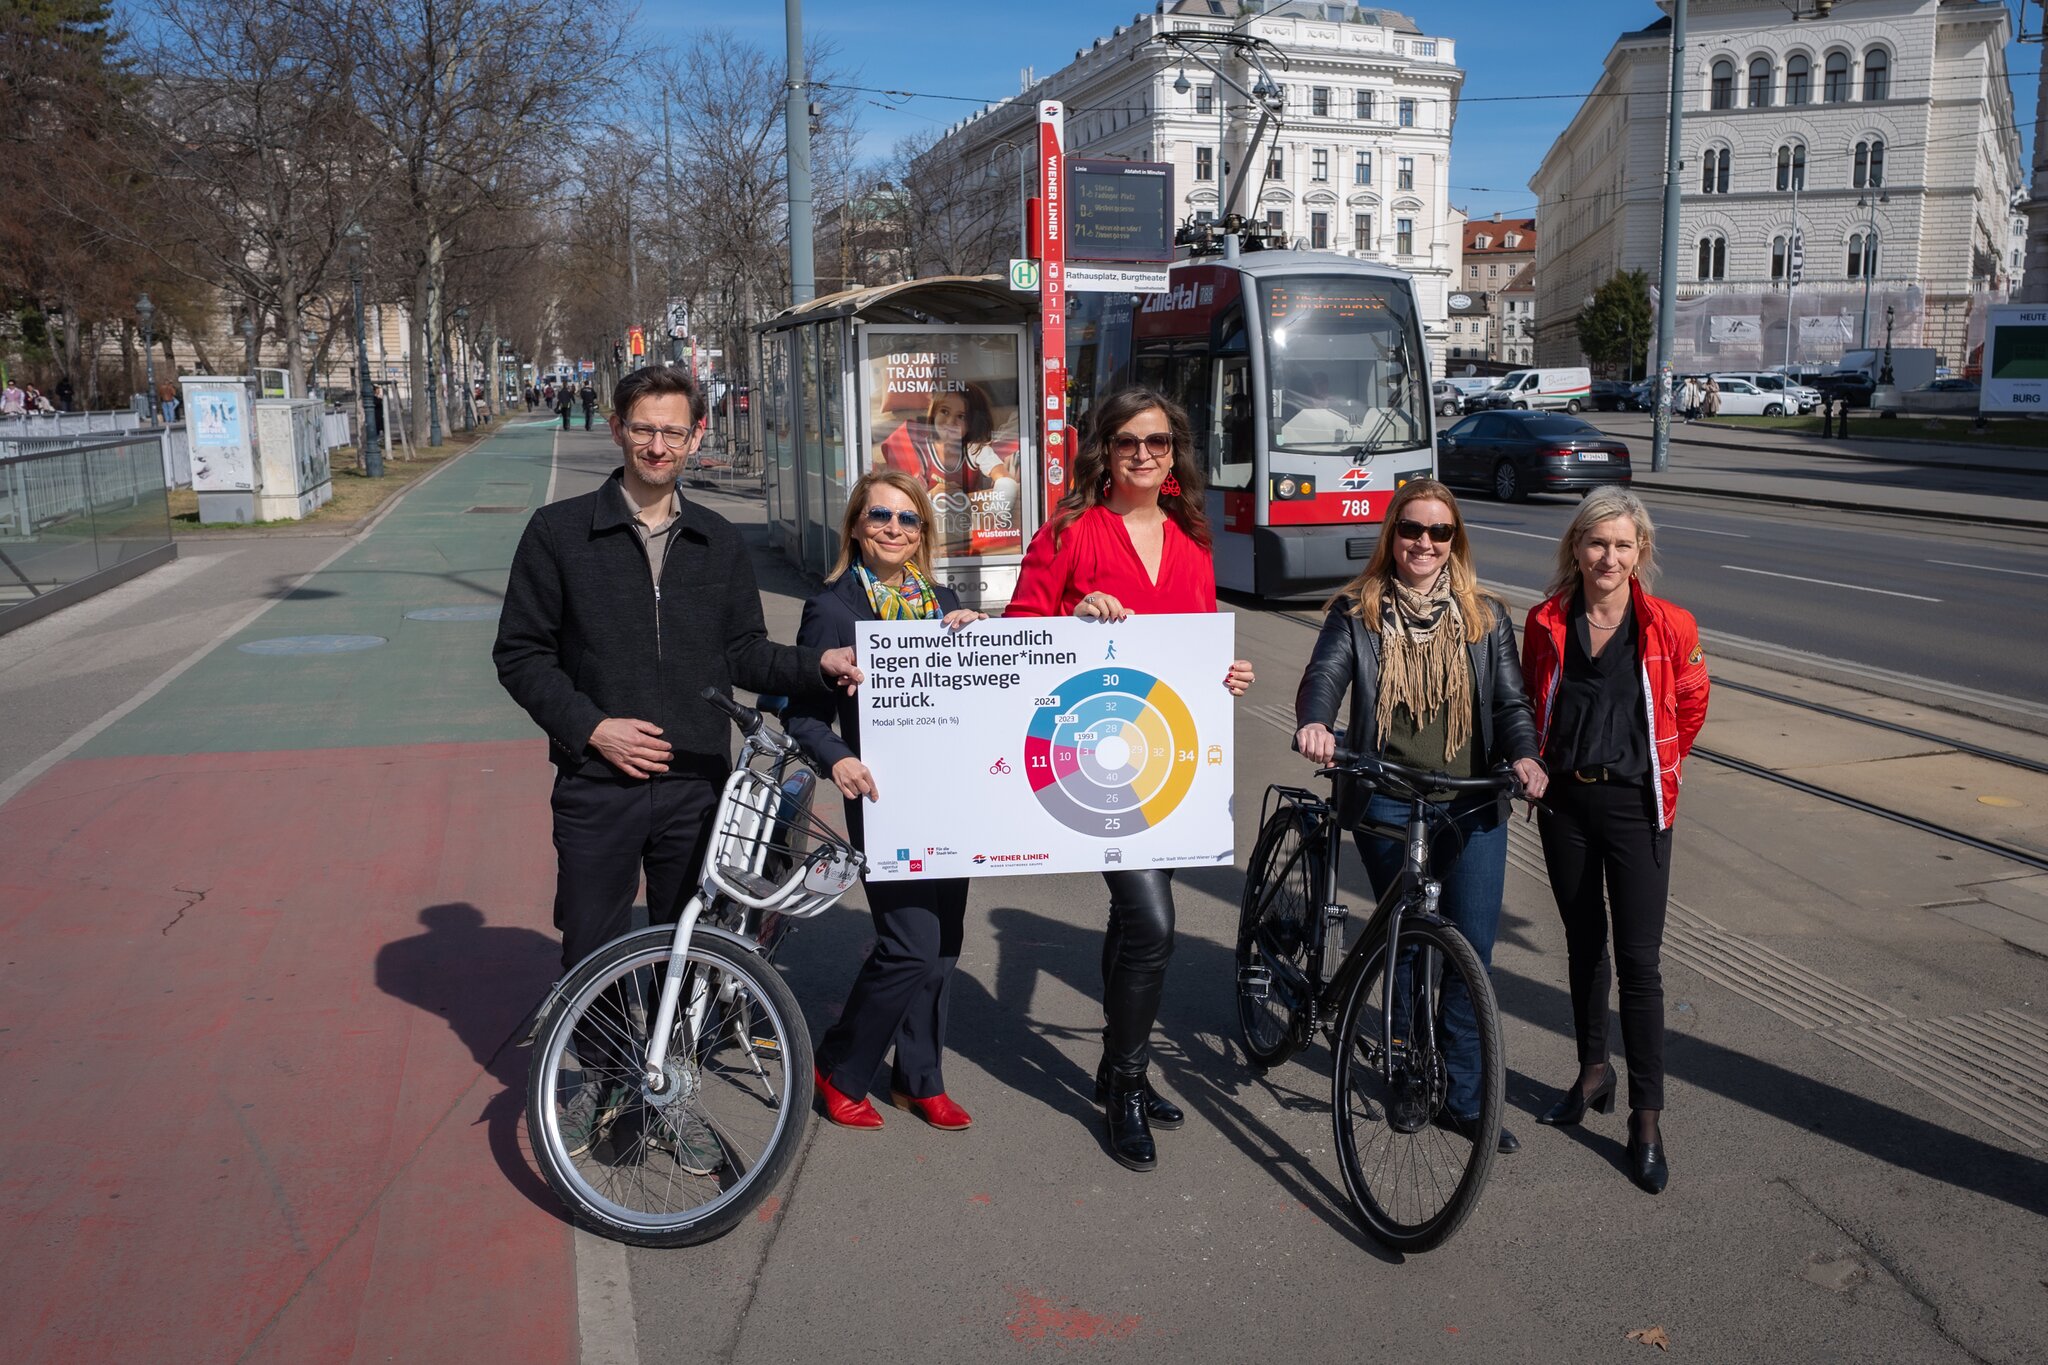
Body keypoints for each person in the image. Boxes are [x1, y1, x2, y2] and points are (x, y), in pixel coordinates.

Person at [494, 364, 864, 985]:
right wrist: (592, 728)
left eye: (672, 432)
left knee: (693, 941)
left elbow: (744, 652)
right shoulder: (558, 533)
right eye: (643, 429)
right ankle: (603, 1074)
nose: (657, 446)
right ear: (617, 429)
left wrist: (816, 666)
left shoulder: (716, 540)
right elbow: (521, 654)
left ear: (696, 436)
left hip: (696, 779)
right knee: (591, 946)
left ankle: (673, 1065)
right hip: (596, 781)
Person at [1005, 386, 1255, 1173]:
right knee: (1152, 923)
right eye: (1127, 442)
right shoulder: (1073, 531)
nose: (1143, 454)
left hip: (1171, 763)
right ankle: (1129, 1084)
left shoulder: (1191, 540)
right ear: (1104, 452)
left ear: (1174, 453)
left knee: (1131, 926)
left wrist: (1230, 674)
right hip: (1092, 761)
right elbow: (1019, 629)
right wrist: (1074, 622)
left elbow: (1197, 654)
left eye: (1157, 441)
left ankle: (1116, 1062)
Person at [1293, 478, 1548, 1157]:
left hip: (1469, 803)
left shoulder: (1485, 616)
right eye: (1412, 529)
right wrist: (1316, 722)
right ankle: (1406, 1076)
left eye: (1439, 532)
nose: (1424, 543)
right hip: (1385, 793)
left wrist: (1524, 756)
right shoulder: (1359, 611)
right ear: (1392, 535)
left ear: (1454, 540)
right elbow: (1326, 673)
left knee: (1471, 952)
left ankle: (1463, 1098)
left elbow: (1511, 706)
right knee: (1404, 940)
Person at [1520, 487, 1709, 1196]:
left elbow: (1691, 699)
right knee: (1581, 945)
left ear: (1641, 553)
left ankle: (1646, 1119)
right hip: (1565, 804)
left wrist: (1661, 759)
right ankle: (1593, 1070)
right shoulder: (1546, 620)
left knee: (1640, 964)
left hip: (1636, 806)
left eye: (1623, 545)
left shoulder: (1668, 624)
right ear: (1576, 546)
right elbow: (1531, 699)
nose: (1609, 556)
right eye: (1597, 542)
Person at [787, 469, 987, 1133]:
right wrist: (837, 757)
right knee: (909, 943)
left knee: (946, 944)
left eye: (908, 520)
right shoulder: (833, 608)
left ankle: (919, 1077)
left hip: (951, 795)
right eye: (880, 516)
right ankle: (841, 1066)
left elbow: (983, 693)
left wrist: (978, 637)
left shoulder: (944, 599)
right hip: (882, 799)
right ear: (855, 525)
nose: (894, 529)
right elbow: (802, 713)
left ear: (922, 532)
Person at [879, 384, 1017, 558]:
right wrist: (932, 496)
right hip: (930, 535)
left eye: (961, 416)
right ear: (934, 412)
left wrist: (993, 519)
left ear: (972, 423)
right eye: (944, 411)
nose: (950, 422)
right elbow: (907, 505)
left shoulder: (975, 449)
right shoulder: (920, 451)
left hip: (968, 533)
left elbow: (1006, 482)